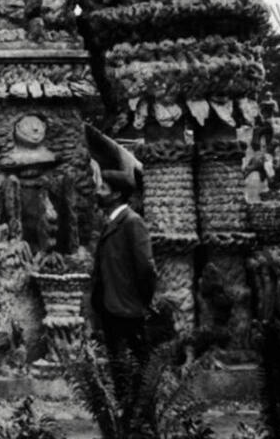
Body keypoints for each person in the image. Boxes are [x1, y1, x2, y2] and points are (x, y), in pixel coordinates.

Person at [91, 168, 158, 412]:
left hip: (129, 308)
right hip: (110, 307)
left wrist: (142, 301)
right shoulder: (111, 222)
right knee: (118, 367)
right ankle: (126, 415)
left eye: (103, 188)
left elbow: (146, 268)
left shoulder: (132, 222)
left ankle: (143, 417)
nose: (97, 192)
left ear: (117, 194)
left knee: (139, 367)